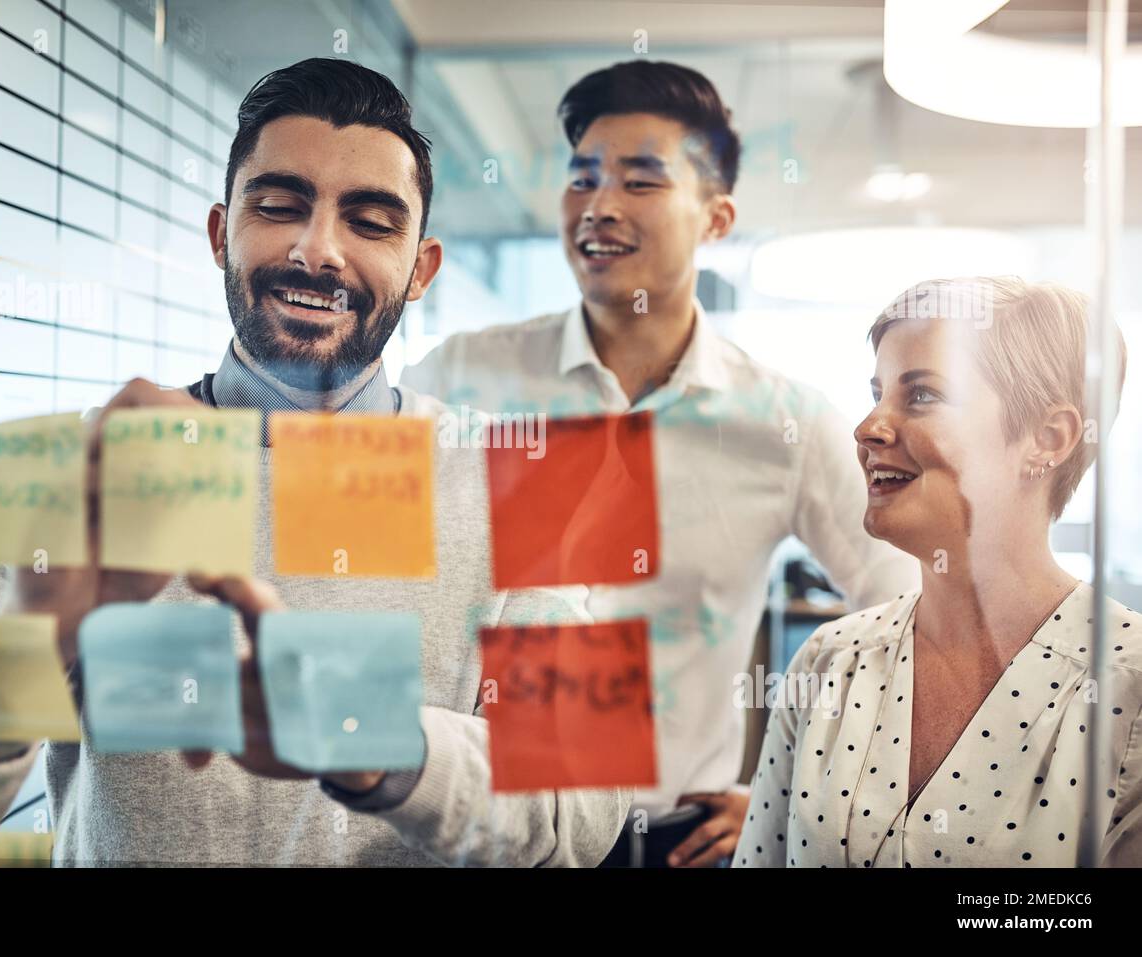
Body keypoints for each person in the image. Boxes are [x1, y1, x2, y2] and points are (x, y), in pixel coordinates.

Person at [0, 58, 628, 867]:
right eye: (280, 206)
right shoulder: (73, 464)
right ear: (222, 233)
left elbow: (588, 806)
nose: (317, 250)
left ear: (420, 268)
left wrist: (373, 737)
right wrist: (25, 644)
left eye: (370, 221)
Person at [402, 60, 918, 867]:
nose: (598, 205)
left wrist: (793, 791)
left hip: (681, 846)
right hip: (489, 831)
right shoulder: (463, 378)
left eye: (641, 181)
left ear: (716, 218)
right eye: (582, 178)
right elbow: (352, 557)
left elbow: (909, 608)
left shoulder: (784, 420)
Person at [733, 277, 1141, 867]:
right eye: (877, 393)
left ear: (1047, 438)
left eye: (921, 395)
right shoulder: (830, 661)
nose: (867, 427)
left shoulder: (1127, 689)